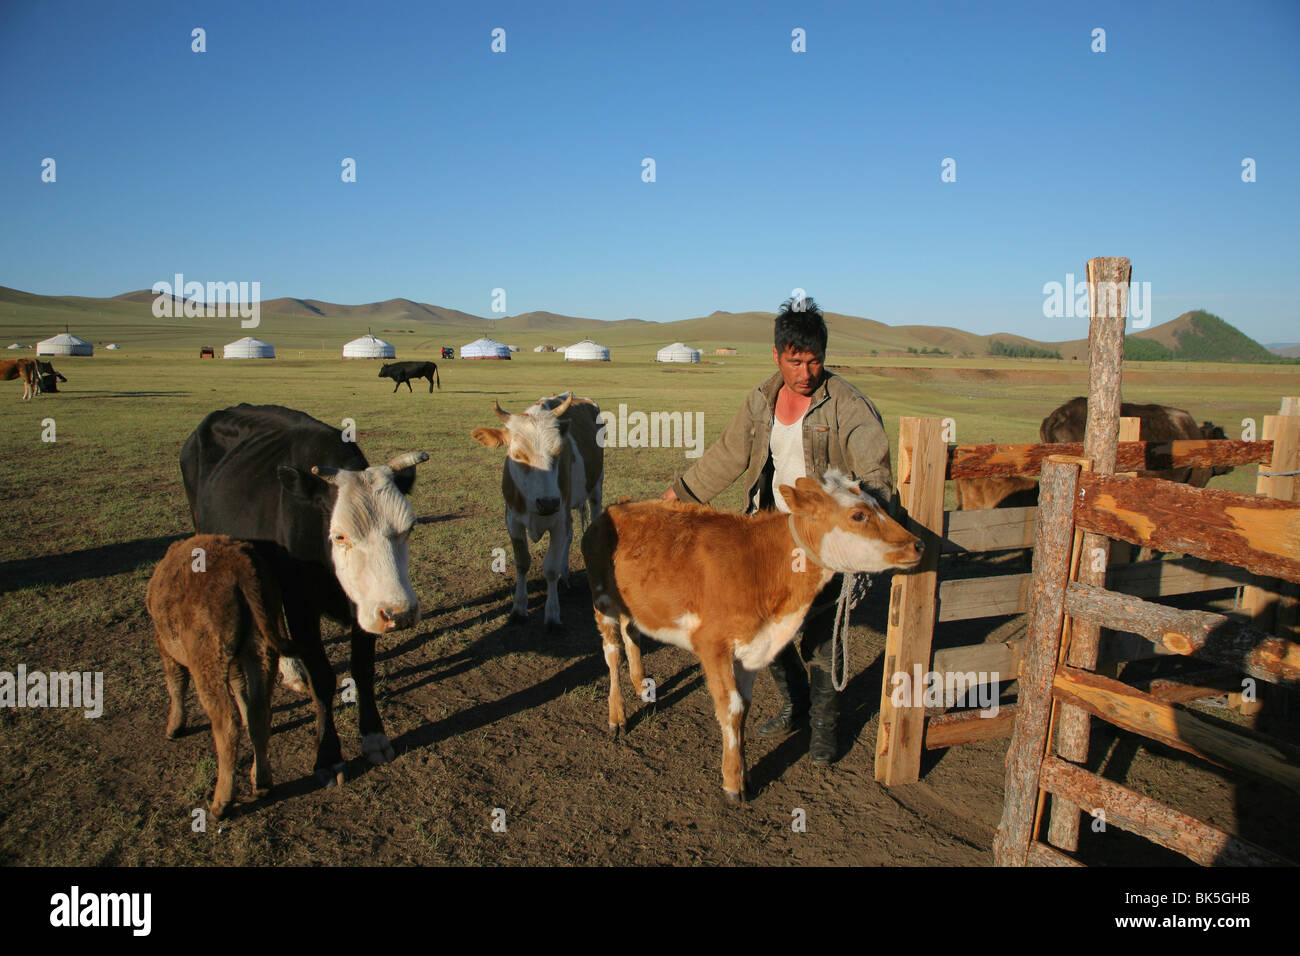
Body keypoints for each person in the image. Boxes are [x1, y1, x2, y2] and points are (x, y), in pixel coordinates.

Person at [663, 296, 893, 764]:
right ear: (776, 355)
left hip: (826, 542)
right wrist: (678, 496)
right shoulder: (760, 400)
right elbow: (727, 455)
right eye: (795, 361)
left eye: (814, 361)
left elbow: (877, 476)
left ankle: (826, 727)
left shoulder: (848, 406)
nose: (805, 372)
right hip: (768, 537)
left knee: (824, 633)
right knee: (767, 628)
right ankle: (795, 706)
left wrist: (853, 521)